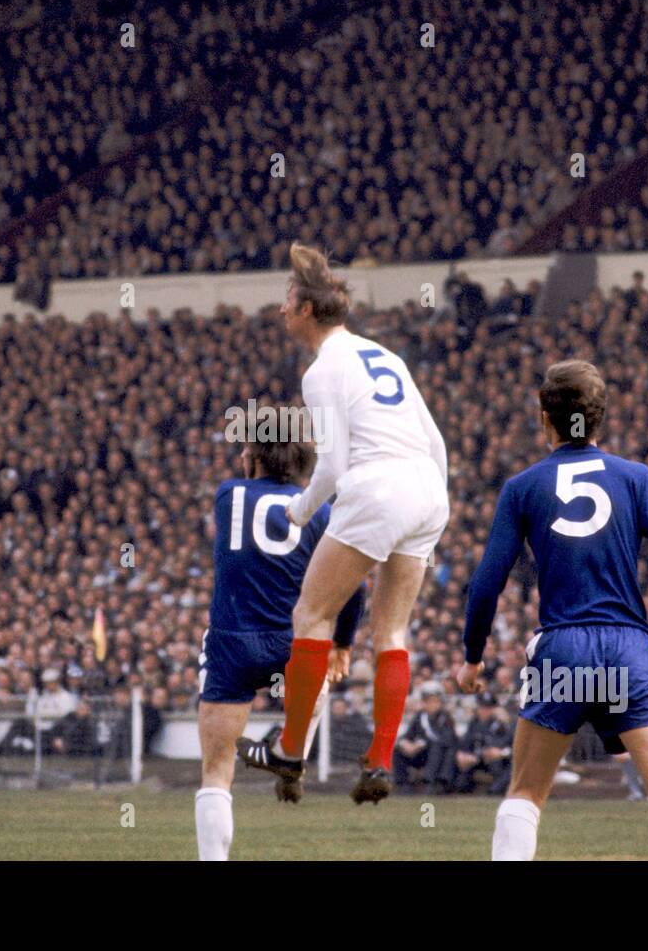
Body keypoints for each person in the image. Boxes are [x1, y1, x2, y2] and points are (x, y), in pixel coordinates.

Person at [459, 359, 648, 861]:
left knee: (525, 794)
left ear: (544, 416)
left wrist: (472, 655)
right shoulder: (637, 478)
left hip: (561, 649)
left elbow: (485, 584)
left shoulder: (522, 487)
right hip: (628, 648)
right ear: (600, 417)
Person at [237, 243, 449, 805]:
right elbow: (436, 443)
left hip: (378, 488)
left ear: (307, 309)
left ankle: (288, 749)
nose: (281, 310)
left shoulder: (322, 369)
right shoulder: (384, 355)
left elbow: (331, 465)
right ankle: (379, 761)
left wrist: (300, 509)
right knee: (392, 633)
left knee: (311, 614)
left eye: (286, 300)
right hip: (428, 490)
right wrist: (434, 504)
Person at [197, 430, 364, 860]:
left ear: (253, 457)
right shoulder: (323, 513)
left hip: (232, 642)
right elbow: (353, 587)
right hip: (293, 644)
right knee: (320, 671)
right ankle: (294, 755)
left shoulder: (227, 495)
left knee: (216, 771)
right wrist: (343, 644)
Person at [392, 684, 458, 793]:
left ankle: (430, 782)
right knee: (398, 750)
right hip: (422, 754)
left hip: (439, 755)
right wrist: (404, 743)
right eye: (428, 701)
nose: (431, 705)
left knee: (436, 749)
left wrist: (422, 743)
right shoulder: (420, 716)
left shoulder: (445, 718)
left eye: (434, 701)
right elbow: (409, 734)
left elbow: (445, 739)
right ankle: (403, 784)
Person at [454, 694, 513, 795]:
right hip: (477, 758)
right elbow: (467, 742)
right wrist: (463, 753)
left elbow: (500, 744)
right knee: (460, 779)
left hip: (494, 759)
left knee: (497, 765)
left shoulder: (499, 724)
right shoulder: (474, 722)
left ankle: (495, 791)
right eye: (482, 707)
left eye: (487, 708)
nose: (484, 711)